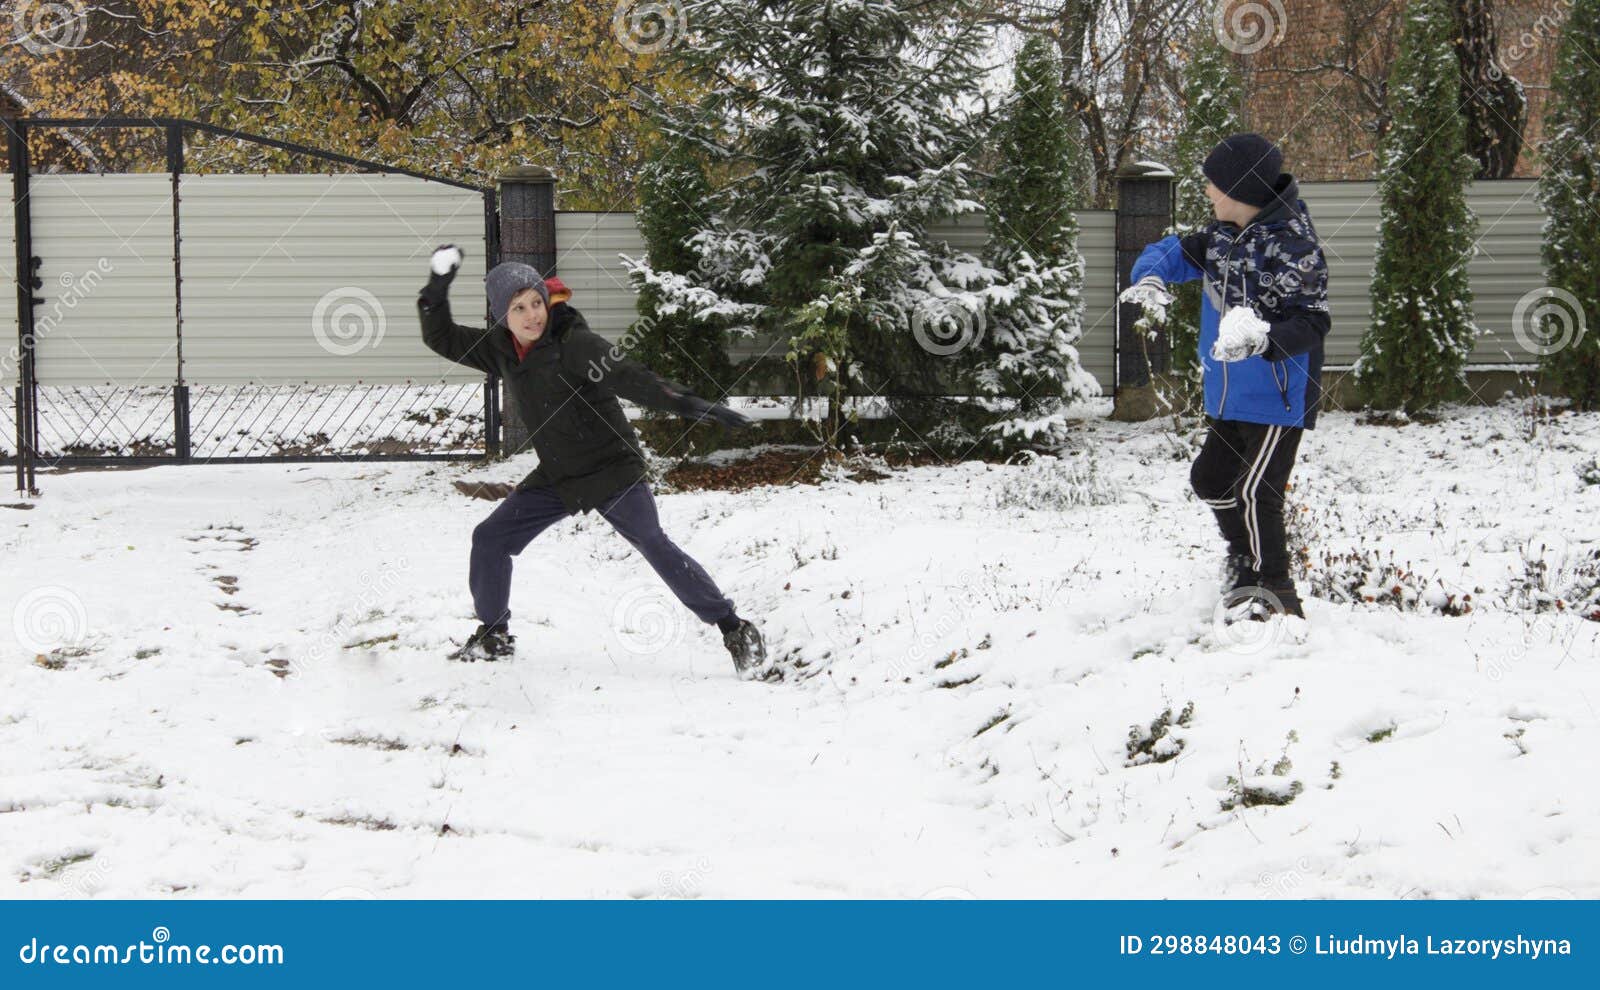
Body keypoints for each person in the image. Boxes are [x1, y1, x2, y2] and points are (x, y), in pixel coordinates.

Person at [416, 245, 768, 675]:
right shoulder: (501, 349)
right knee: (490, 539)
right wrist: (438, 286)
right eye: (518, 307)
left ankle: (734, 627)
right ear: (501, 316)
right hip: (560, 473)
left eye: (535, 303)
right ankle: (493, 635)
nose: (532, 316)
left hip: (611, 468)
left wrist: (691, 405)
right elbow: (440, 337)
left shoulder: (575, 345)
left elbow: (633, 379)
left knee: (652, 542)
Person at [1120, 133, 1331, 622]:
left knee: (1258, 492)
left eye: (1214, 185)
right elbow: (1168, 251)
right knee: (1211, 479)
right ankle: (1244, 564)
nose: (1209, 193)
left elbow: (1314, 321)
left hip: (1279, 395)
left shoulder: (1293, 246)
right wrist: (1149, 279)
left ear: (1241, 189)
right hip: (1228, 396)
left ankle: (1277, 594)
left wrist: (1264, 341)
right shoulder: (1219, 239)